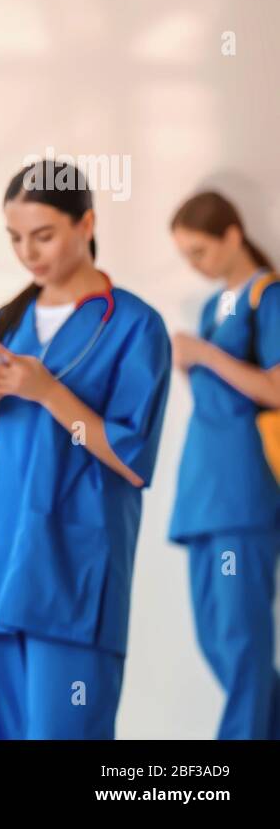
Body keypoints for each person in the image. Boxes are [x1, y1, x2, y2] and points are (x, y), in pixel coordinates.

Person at [0, 160, 171, 739]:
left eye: (43, 235)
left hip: (72, 578)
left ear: (86, 223)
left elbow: (132, 459)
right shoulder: (0, 327)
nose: (28, 252)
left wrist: (47, 392)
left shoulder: (136, 327)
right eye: (15, 238)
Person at [167, 189, 280, 739]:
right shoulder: (215, 308)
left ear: (232, 235)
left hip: (243, 489)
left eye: (200, 252)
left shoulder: (270, 298)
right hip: (202, 490)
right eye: (185, 256)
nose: (194, 266)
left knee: (241, 640)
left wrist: (205, 355)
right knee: (214, 637)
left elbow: (277, 388)